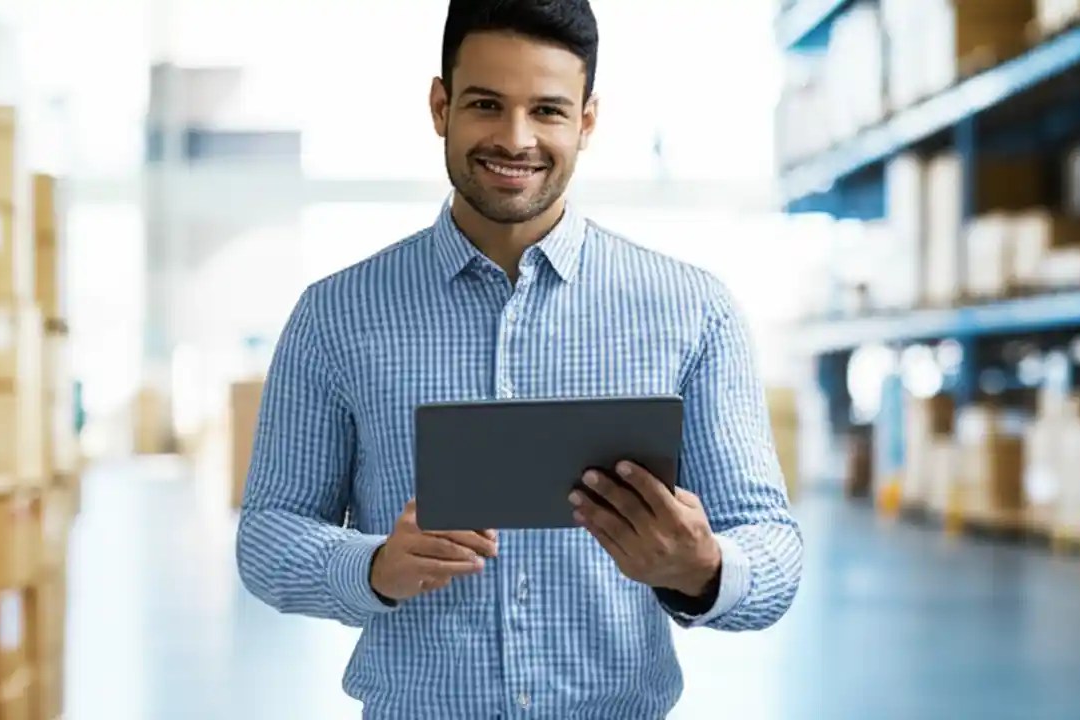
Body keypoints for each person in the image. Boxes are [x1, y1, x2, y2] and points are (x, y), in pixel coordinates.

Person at [235, 0, 803, 717]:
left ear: (587, 121)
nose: (515, 139)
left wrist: (704, 568)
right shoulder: (335, 315)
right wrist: (373, 567)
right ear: (440, 105)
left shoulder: (693, 310)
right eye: (485, 104)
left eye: (548, 111)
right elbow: (267, 535)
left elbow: (775, 551)